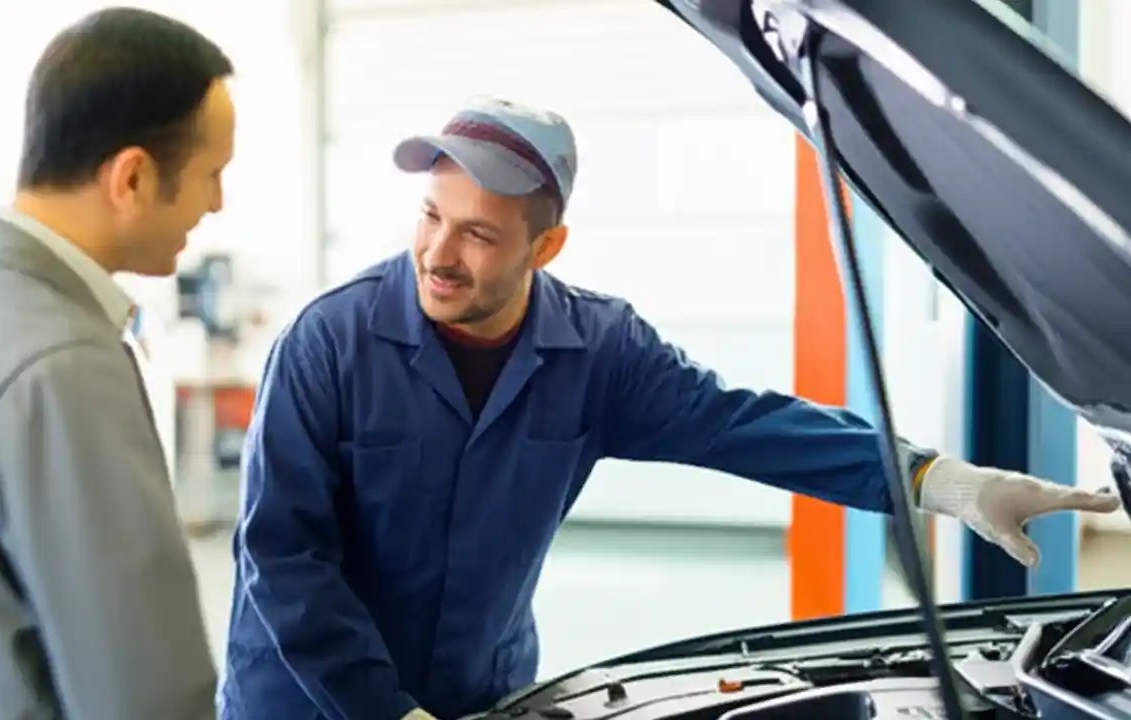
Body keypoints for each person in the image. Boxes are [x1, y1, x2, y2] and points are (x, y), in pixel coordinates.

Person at [218, 96, 1120, 720]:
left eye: (479, 234)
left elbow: (747, 425)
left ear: (548, 245)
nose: (438, 253)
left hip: (476, 695)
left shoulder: (598, 353)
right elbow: (284, 559)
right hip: (305, 700)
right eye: (430, 216)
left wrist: (941, 482)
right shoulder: (330, 344)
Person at [0, 8, 235, 719]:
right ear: (131, 178)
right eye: (210, 174)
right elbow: (144, 693)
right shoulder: (66, 367)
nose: (216, 203)